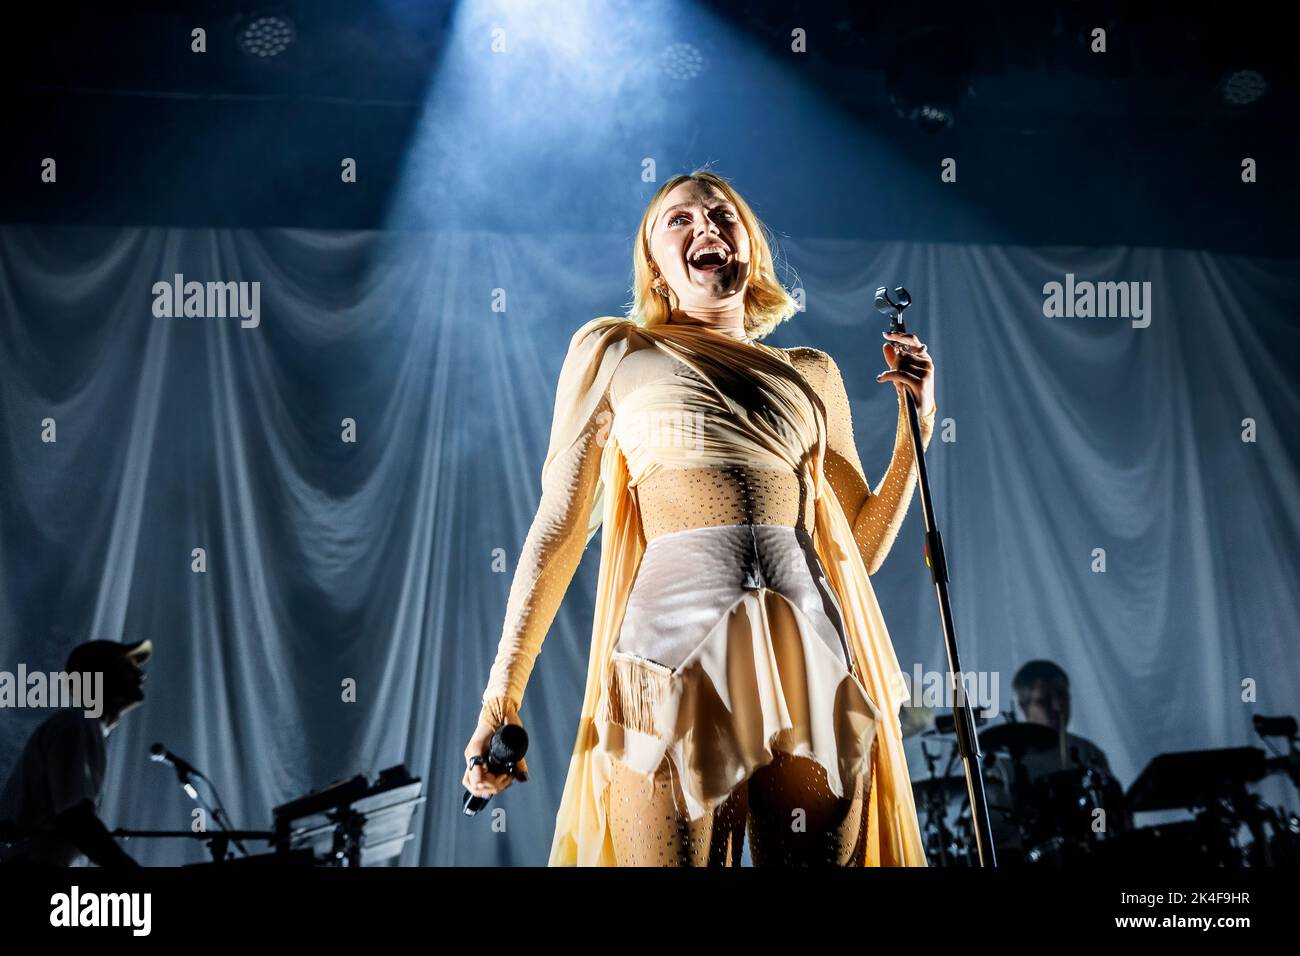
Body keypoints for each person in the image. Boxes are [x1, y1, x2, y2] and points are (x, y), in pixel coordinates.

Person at [463, 169, 937, 866]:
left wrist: (914, 432)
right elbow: (558, 531)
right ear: (655, 268)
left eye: (722, 216)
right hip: (666, 655)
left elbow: (858, 554)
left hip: (810, 655)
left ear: (751, 250)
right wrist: (500, 694)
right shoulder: (617, 350)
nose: (705, 227)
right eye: (678, 220)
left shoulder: (812, 372)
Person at [0, 639, 151, 866]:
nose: (141, 675)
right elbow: (76, 819)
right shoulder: (78, 724)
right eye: (128, 666)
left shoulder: (81, 725)